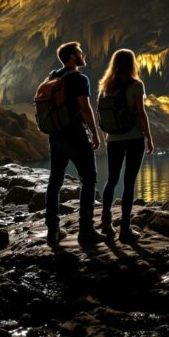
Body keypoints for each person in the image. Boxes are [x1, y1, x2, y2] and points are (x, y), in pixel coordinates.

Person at [44, 41, 105, 246]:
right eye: (80, 53)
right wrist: (95, 135)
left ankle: (52, 230)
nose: (84, 55)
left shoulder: (54, 77)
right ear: (72, 57)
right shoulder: (79, 78)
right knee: (88, 179)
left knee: (55, 182)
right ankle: (86, 230)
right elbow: (85, 108)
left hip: (55, 136)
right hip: (75, 135)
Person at [97, 49, 155, 243]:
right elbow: (141, 113)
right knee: (129, 182)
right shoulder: (137, 85)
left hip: (113, 139)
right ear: (132, 64)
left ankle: (106, 223)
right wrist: (149, 137)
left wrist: (107, 136)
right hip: (133, 138)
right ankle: (125, 229)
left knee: (111, 180)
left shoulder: (105, 86)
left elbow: (104, 115)